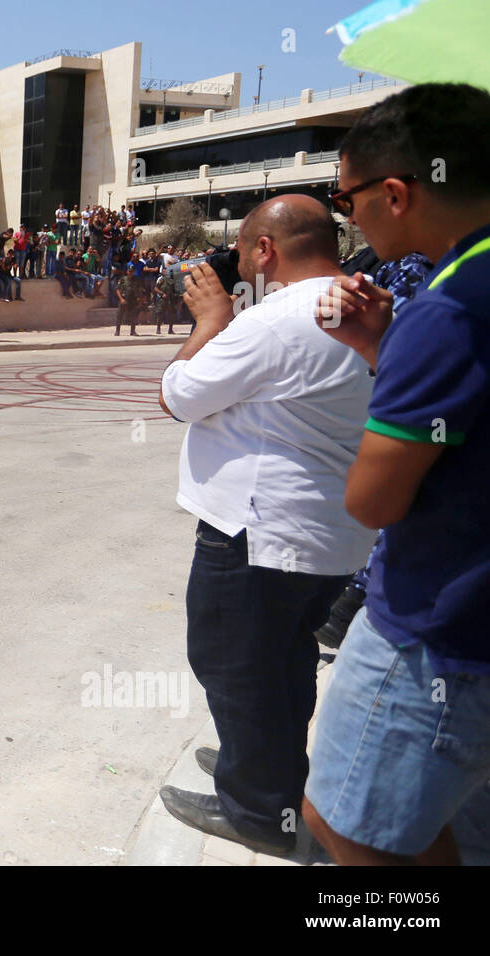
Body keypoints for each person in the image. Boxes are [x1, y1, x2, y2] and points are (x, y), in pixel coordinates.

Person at [155, 195, 376, 857]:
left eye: (245, 251)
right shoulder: (365, 304)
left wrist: (212, 319)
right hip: (327, 536)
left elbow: (178, 394)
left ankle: (258, 810)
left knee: (235, 666)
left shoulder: (275, 320)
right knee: (284, 661)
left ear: (265, 252)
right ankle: (270, 775)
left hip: (256, 531)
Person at [303, 83, 490, 866]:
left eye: (347, 199)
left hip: (440, 629)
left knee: (345, 825)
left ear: (396, 192)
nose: (347, 218)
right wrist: (384, 348)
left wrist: (395, 350)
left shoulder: (446, 311)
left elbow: (373, 499)